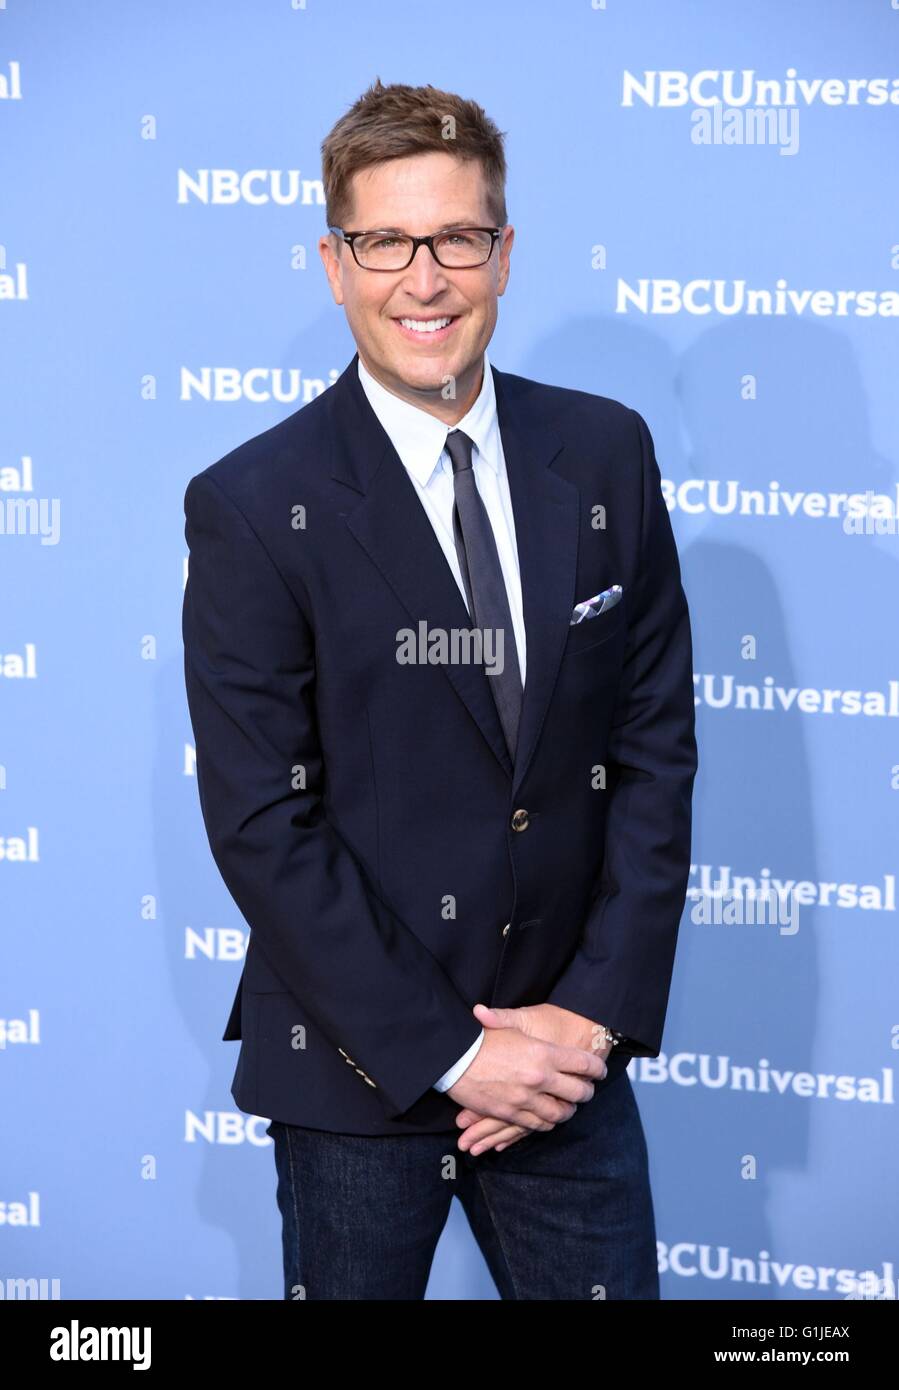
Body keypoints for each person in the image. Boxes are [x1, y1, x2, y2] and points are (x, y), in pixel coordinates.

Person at [181, 78, 698, 1300]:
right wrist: (458, 1053)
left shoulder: (606, 453)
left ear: (503, 254)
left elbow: (653, 748)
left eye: (456, 238)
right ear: (332, 261)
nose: (424, 278)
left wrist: (587, 1021)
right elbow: (263, 822)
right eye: (384, 242)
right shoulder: (256, 505)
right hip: (356, 1074)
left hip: (565, 1068)